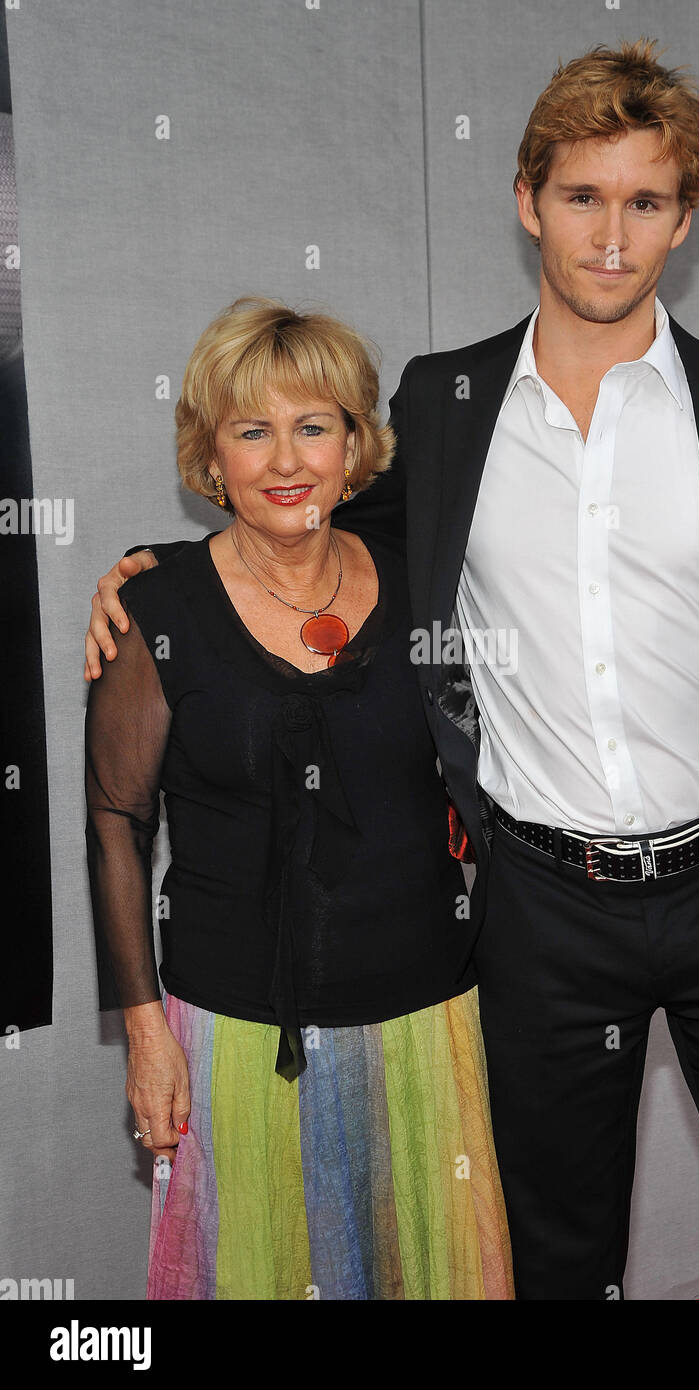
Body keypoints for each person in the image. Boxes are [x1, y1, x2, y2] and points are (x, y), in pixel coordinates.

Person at [84, 40, 699, 1300]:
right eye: (581, 195)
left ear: (683, 215)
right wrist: (154, 571)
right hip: (541, 918)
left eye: (645, 200)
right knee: (552, 1264)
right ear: (527, 201)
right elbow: (326, 527)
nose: (610, 237)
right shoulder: (444, 405)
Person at [84, 297, 513, 1300]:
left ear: (355, 444)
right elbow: (116, 824)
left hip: (428, 1019)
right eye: (252, 430)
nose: (286, 460)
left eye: (314, 425)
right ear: (210, 453)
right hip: (234, 1035)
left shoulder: (426, 592)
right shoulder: (156, 609)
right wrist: (144, 1032)